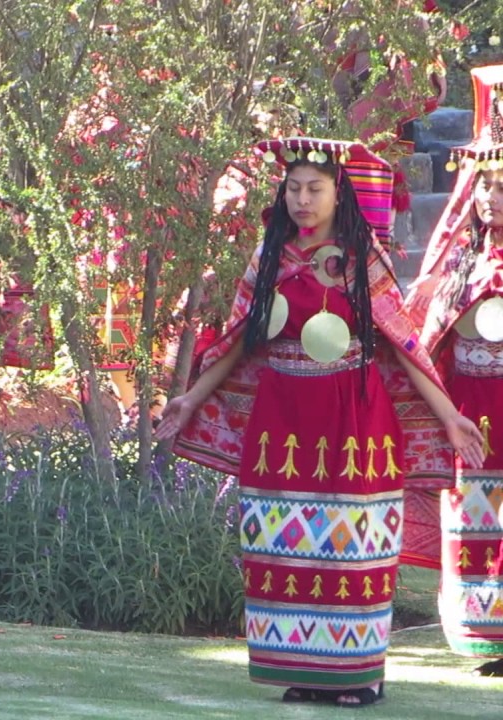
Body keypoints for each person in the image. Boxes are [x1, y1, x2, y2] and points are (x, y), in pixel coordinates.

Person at [157, 137, 484, 707]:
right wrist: (191, 398)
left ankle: (360, 675)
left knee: (353, 543)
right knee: (283, 539)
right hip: (281, 421)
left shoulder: (362, 259)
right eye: (293, 188)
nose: (302, 199)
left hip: (352, 421)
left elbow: (404, 344)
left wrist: (449, 414)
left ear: (339, 193)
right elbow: (237, 342)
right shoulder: (268, 257)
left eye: (315, 188)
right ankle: (304, 669)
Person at [404, 64, 503, 676]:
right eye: (486, 187)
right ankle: (486, 635)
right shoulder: (460, 257)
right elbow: (430, 324)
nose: (492, 198)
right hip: (468, 401)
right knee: (474, 512)